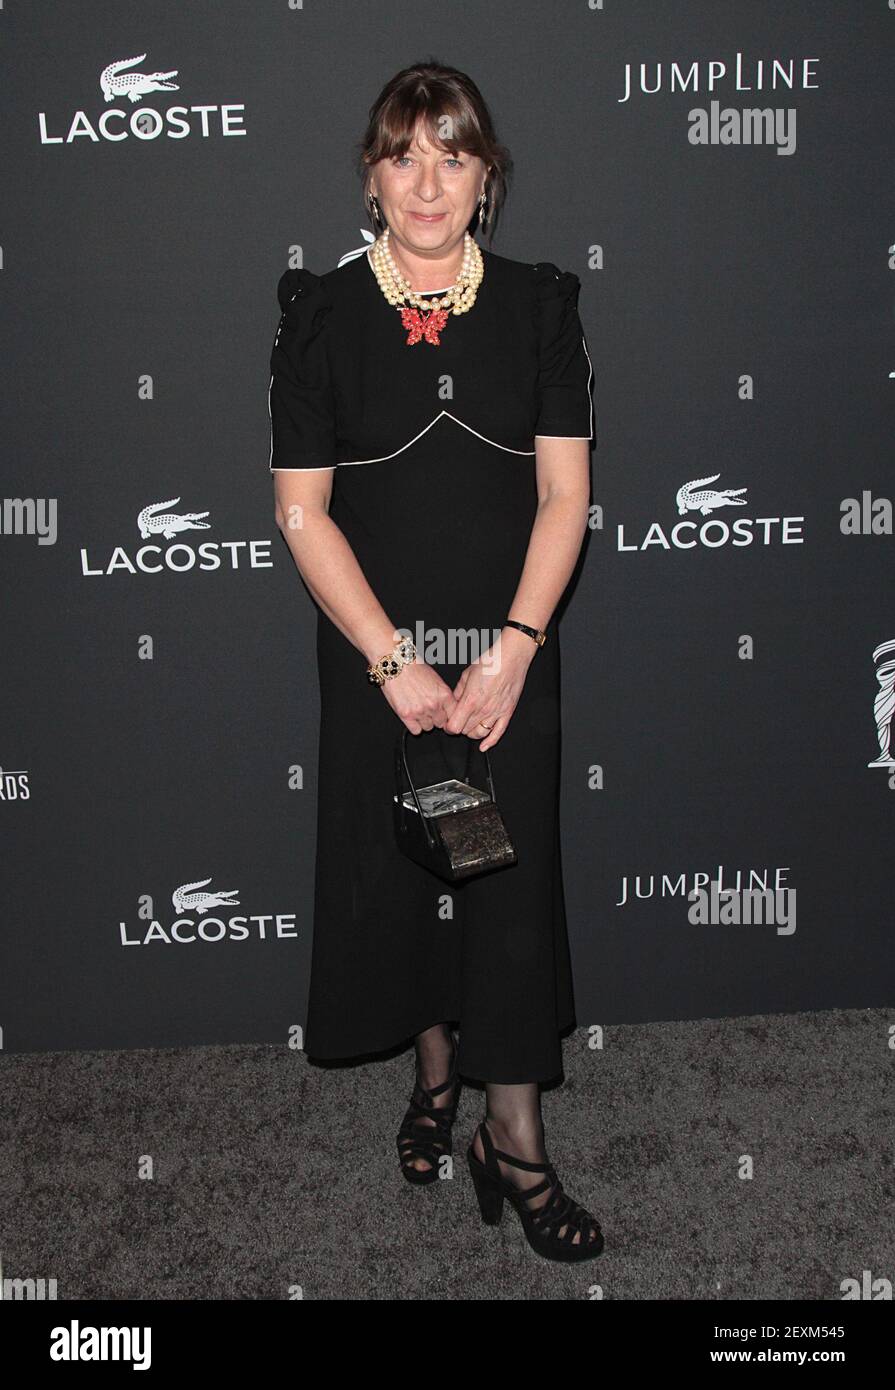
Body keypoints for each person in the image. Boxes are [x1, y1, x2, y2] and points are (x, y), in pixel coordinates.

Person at [268, 59, 603, 1261]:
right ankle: (432, 1079)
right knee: (414, 871)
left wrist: (512, 652)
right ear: (371, 176)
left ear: (487, 178)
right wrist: (392, 660)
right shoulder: (320, 314)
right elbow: (303, 512)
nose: (427, 181)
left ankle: (511, 1140)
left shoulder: (540, 305)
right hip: (381, 656)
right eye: (404, 155)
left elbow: (566, 493)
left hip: (509, 652)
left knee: (507, 891)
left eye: (452, 155)